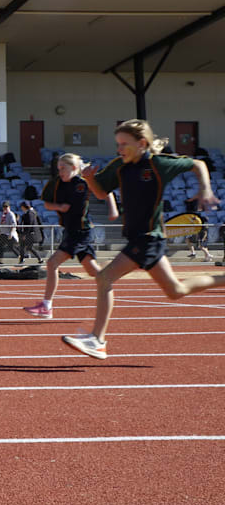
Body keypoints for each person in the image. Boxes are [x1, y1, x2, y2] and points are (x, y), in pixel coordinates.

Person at [61, 120, 225, 359]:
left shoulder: (158, 164)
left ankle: (97, 339)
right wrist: (89, 179)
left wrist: (206, 189)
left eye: (123, 144)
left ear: (141, 143)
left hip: (148, 238)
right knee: (176, 290)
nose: (118, 149)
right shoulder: (119, 166)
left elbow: (198, 164)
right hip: (144, 239)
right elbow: (100, 192)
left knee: (105, 277)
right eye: (117, 144)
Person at [24, 153, 119, 321]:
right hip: (71, 231)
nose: (59, 171)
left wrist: (113, 209)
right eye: (58, 168)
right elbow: (46, 203)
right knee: (93, 271)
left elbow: (106, 192)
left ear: (74, 168)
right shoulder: (57, 183)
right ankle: (108, 284)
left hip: (80, 231)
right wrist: (58, 206)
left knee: (52, 263)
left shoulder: (84, 182)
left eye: (63, 168)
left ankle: (46, 306)